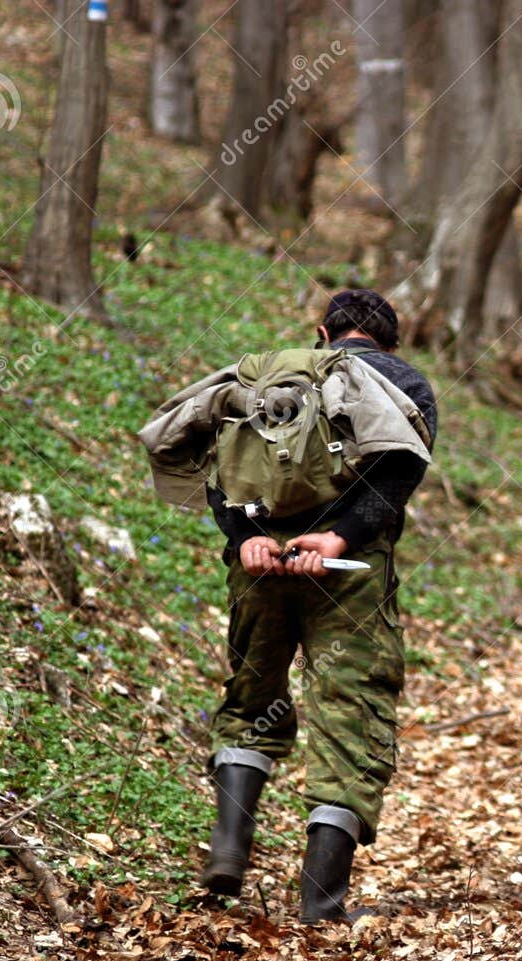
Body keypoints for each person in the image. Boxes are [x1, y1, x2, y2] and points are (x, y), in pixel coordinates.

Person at [201, 289, 437, 923]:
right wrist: (339, 537)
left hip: (260, 570)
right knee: (351, 712)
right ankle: (320, 904)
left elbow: (218, 467)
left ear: (322, 333)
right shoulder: (404, 381)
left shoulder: (266, 380)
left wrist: (248, 538)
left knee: (252, 697)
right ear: (389, 342)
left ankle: (229, 851)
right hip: (349, 574)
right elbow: (397, 476)